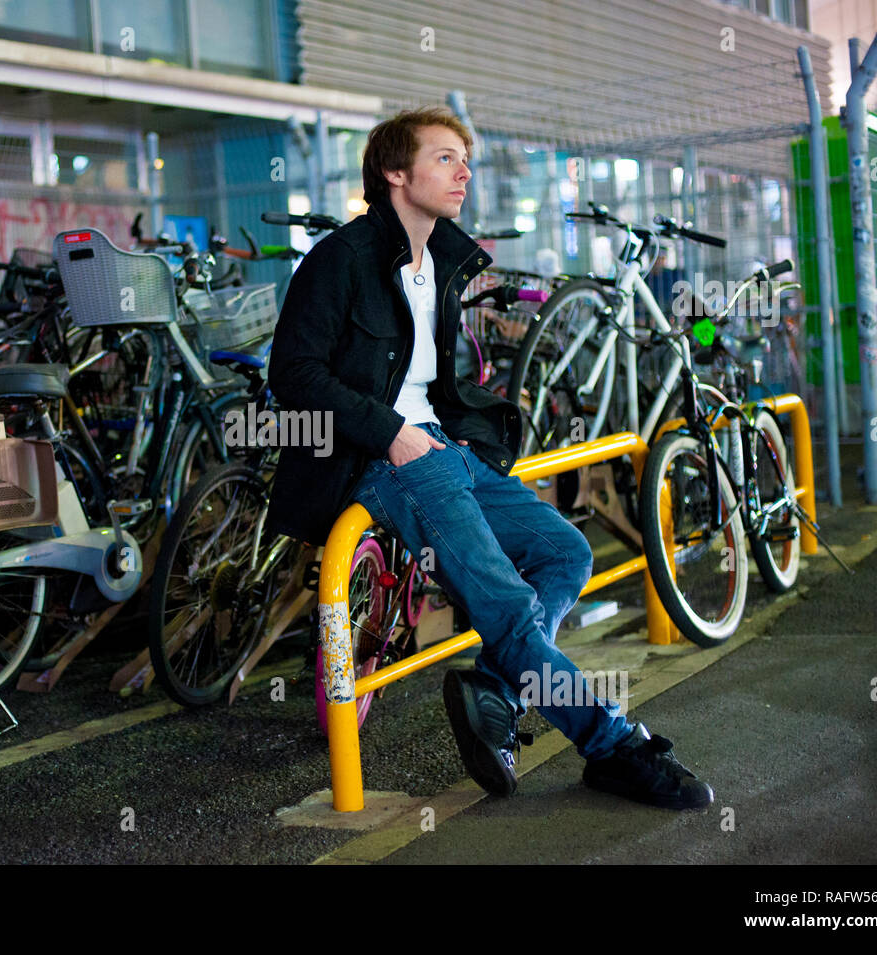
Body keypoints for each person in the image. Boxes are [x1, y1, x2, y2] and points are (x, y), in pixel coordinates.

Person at [266, 107, 713, 810]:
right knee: (506, 606)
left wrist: (460, 427)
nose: (463, 171)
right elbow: (293, 374)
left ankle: (497, 688)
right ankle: (613, 744)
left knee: (566, 553)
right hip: (387, 461)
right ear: (394, 173)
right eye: (445, 158)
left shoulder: (440, 258)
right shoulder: (342, 258)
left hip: (443, 449)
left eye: (463, 159)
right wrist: (393, 432)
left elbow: (430, 375)